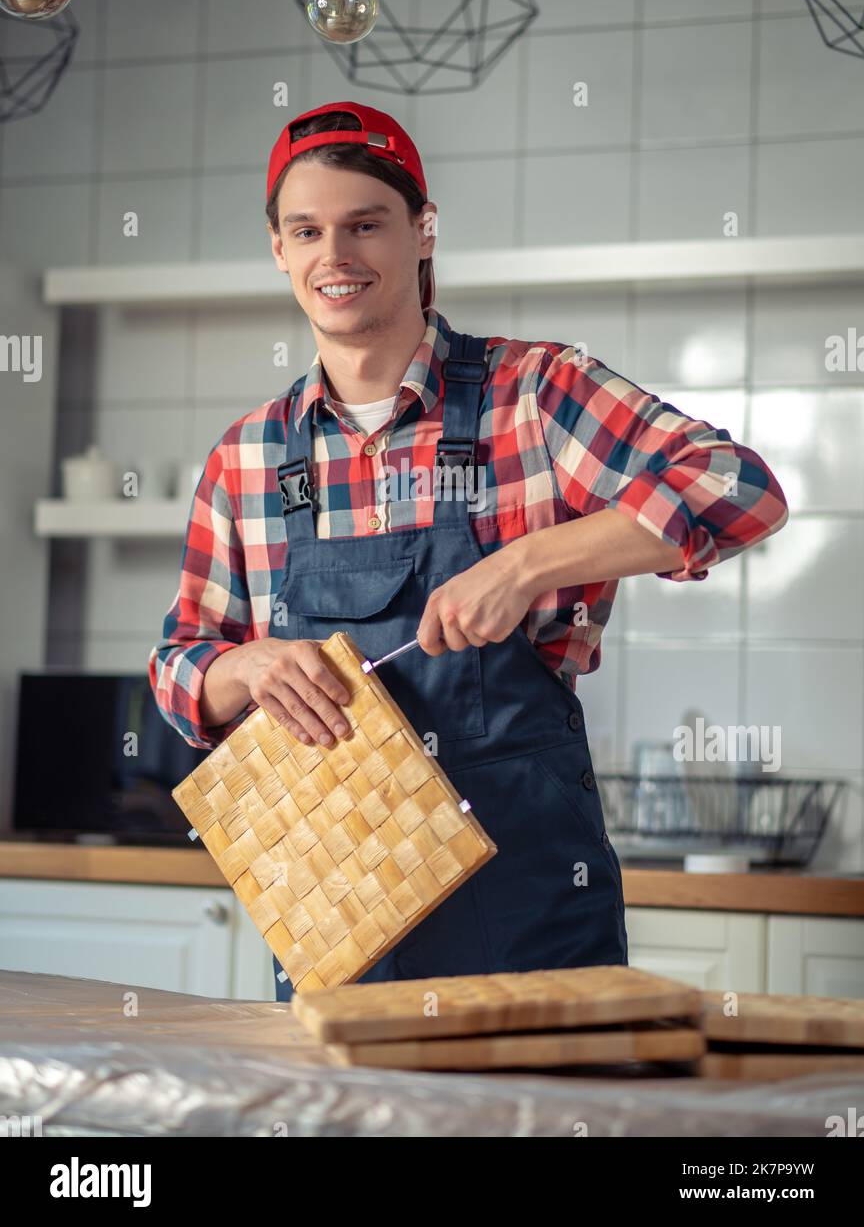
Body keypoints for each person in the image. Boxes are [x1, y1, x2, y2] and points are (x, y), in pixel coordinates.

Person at [149, 100, 789, 1000]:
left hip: (528, 922)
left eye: (365, 224)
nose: (336, 255)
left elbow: (740, 488)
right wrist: (250, 668)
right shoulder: (247, 457)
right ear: (281, 251)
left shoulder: (534, 394)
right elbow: (179, 667)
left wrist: (528, 563)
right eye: (308, 230)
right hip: (337, 932)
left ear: (422, 230)